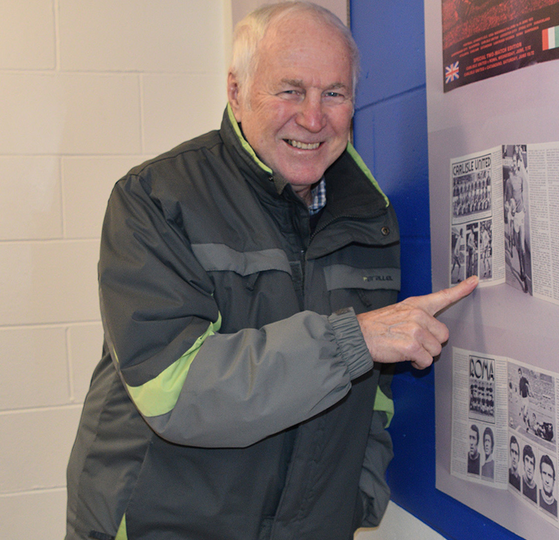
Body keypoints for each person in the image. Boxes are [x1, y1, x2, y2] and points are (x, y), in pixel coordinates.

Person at [65, 3, 478, 540]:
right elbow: (174, 391)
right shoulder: (155, 199)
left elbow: (375, 395)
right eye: (290, 90)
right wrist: (349, 340)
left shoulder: (371, 217)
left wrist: (358, 499)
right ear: (236, 93)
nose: (312, 118)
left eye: (334, 93)